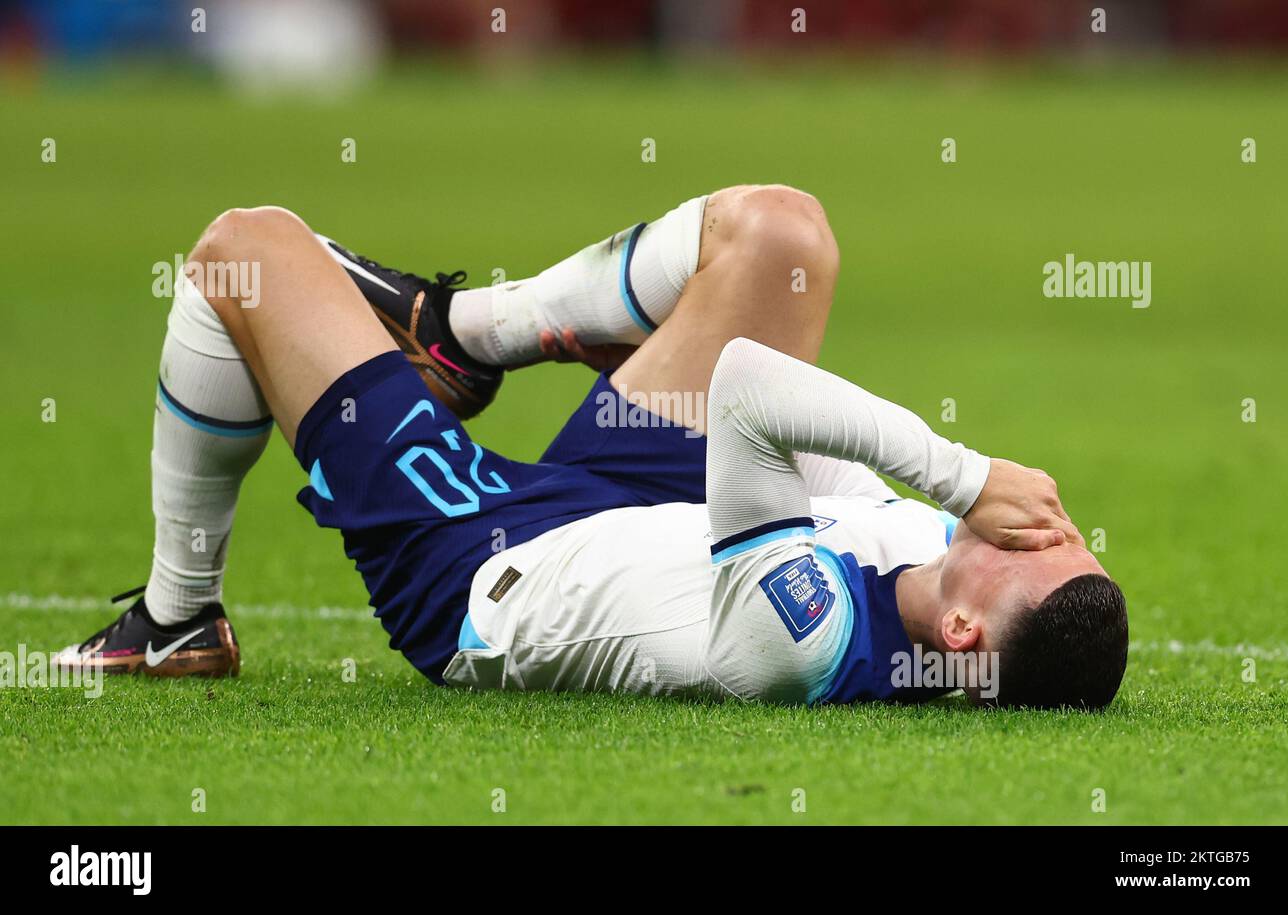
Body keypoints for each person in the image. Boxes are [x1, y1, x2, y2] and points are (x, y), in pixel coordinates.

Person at [54, 185, 1126, 707]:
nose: (1033, 528)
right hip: (648, 498)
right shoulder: (943, 590)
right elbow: (811, 440)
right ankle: (463, 332)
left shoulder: (802, 643)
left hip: (489, 566)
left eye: (1030, 555)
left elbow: (757, 393)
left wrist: (964, 472)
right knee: (784, 237)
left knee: (244, 251)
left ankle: (175, 615)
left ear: (958, 631)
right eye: (1068, 539)